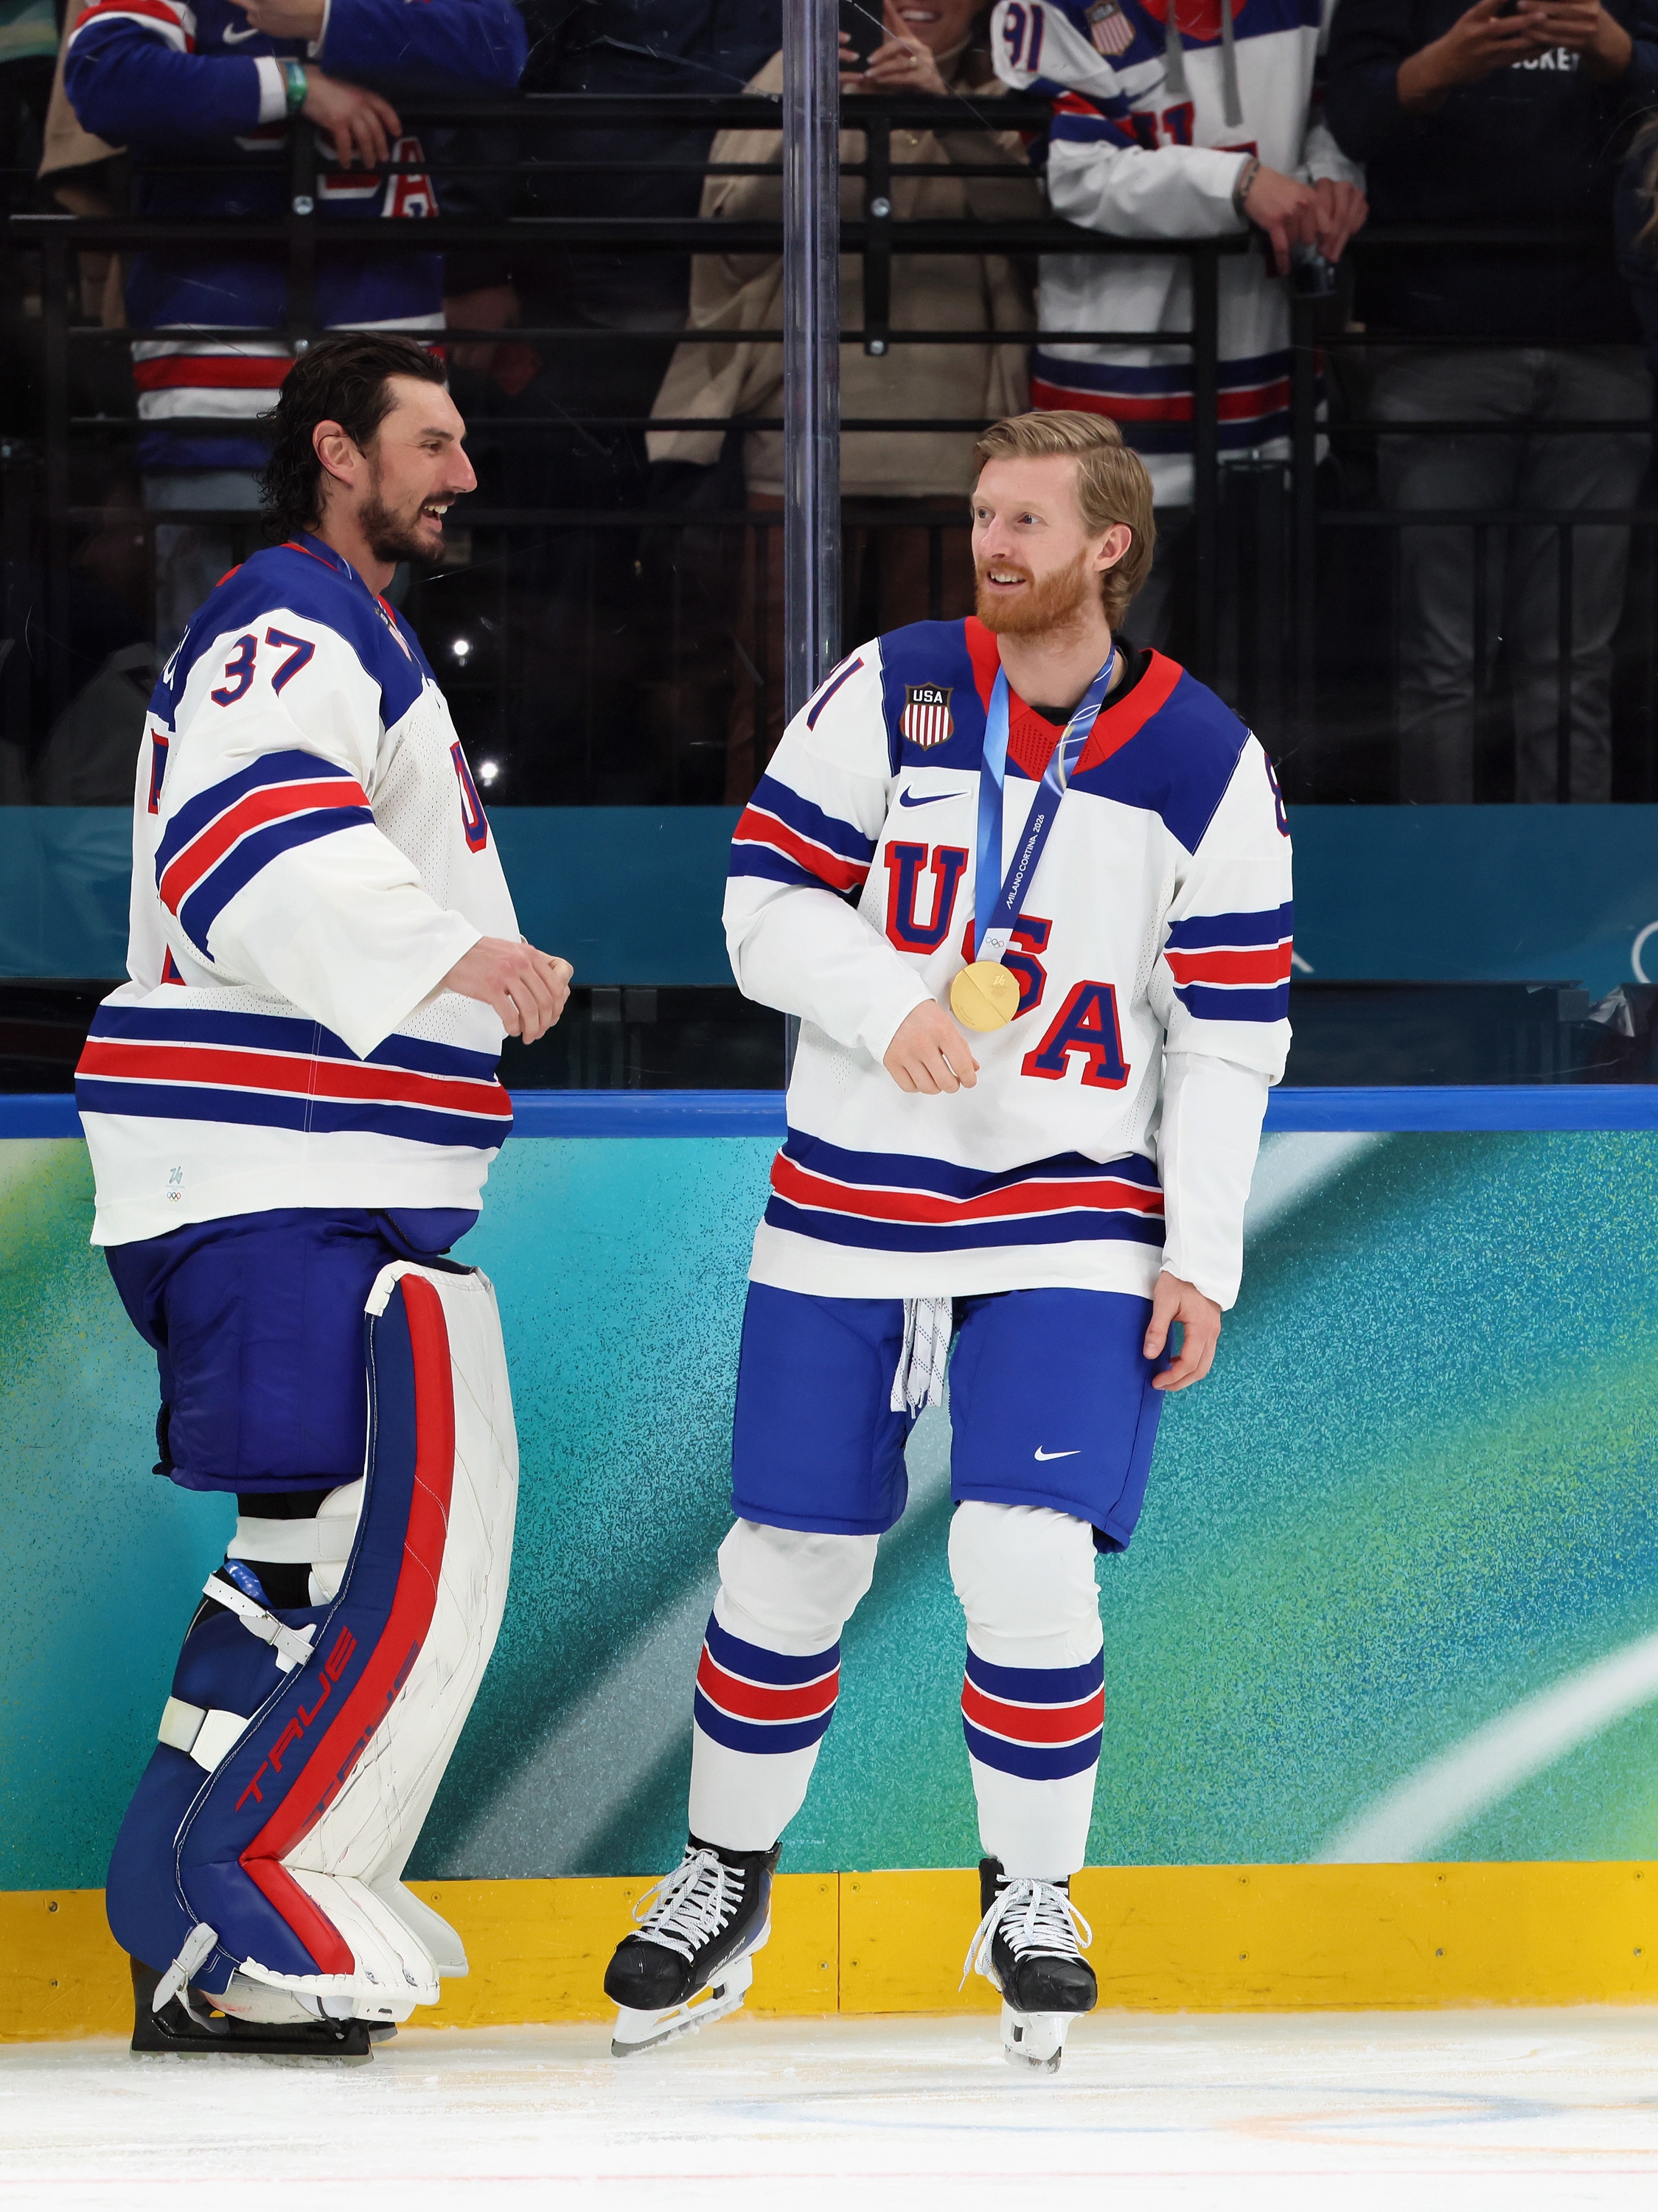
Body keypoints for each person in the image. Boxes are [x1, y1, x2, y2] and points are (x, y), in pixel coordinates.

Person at [600, 410, 1292, 2069]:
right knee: (788, 1558)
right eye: (983, 516)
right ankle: (726, 1874)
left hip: (1070, 1209)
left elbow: (1232, 1029)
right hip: (849, 1196)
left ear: (1108, 544)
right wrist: (890, 1001)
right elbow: (761, 905)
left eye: (1027, 522)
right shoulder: (893, 686)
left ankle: (1031, 1894)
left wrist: (1203, 1251)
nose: (992, 545)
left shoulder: (1206, 757)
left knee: (1026, 1552)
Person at [74, 333, 573, 2056]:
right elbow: (246, 837)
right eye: (431, 441)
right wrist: (457, 948)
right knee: (363, 1551)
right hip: (274, 1166)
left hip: (301, 1170)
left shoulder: (350, 633)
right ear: (334, 452)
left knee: (293, 1555)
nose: (464, 472)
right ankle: (245, 1901)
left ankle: (176, 1930)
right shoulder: (294, 618)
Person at [650, 0, 1039, 797]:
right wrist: (809, 122)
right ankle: (759, 896)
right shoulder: (798, 67)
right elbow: (728, 227)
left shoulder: (1007, 85)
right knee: (775, 712)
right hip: (797, 458)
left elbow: (1036, 223)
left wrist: (945, 110)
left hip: (953, 465)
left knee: (936, 714)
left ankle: (930, 900)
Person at [63, 0, 526, 641]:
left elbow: (499, 47)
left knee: (374, 694)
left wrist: (323, 17)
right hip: (216, 401)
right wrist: (295, 86)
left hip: (378, 399)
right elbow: (104, 79)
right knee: (216, 691)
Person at [1326, 0, 1658, 804]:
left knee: (1574, 661)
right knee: (1441, 660)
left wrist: (1619, 52)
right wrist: (1440, 67)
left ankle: (1566, 892)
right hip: (1436, 343)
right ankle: (1435, 880)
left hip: (1603, 342)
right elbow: (1349, 114)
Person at [986, 0, 1367, 648]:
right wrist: (1237, 182)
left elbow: (1333, 118)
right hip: (1116, 398)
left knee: (1252, 690)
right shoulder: (1050, 9)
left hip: (1266, 397)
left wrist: (1331, 177)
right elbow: (1079, 175)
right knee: (1101, 689)